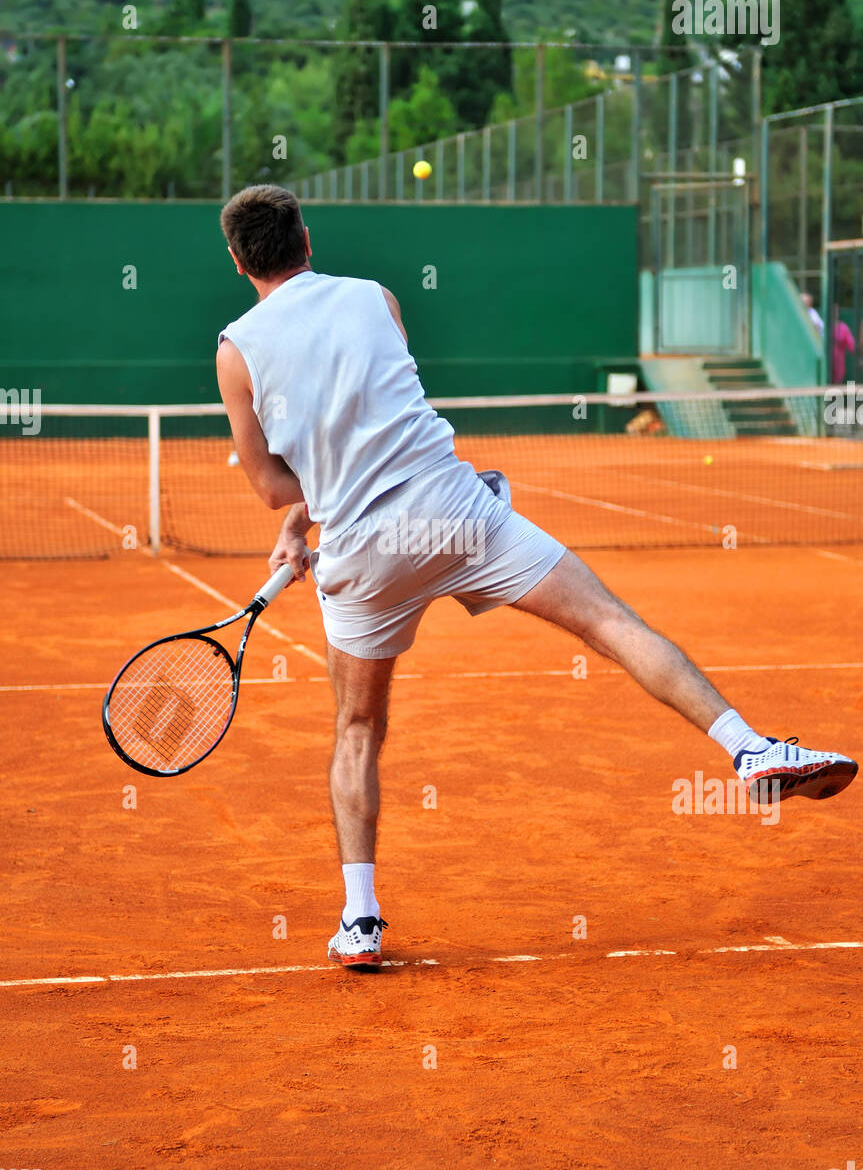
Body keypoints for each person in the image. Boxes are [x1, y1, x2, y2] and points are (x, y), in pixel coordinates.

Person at [216, 186, 858, 971]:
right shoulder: (374, 299)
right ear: (307, 240)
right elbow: (377, 418)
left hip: (363, 556)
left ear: (238, 260)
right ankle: (748, 749)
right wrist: (309, 511)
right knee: (611, 622)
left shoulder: (235, 351)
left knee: (357, 731)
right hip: (456, 515)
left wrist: (297, 518)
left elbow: (278, 484)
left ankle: (359, 920)